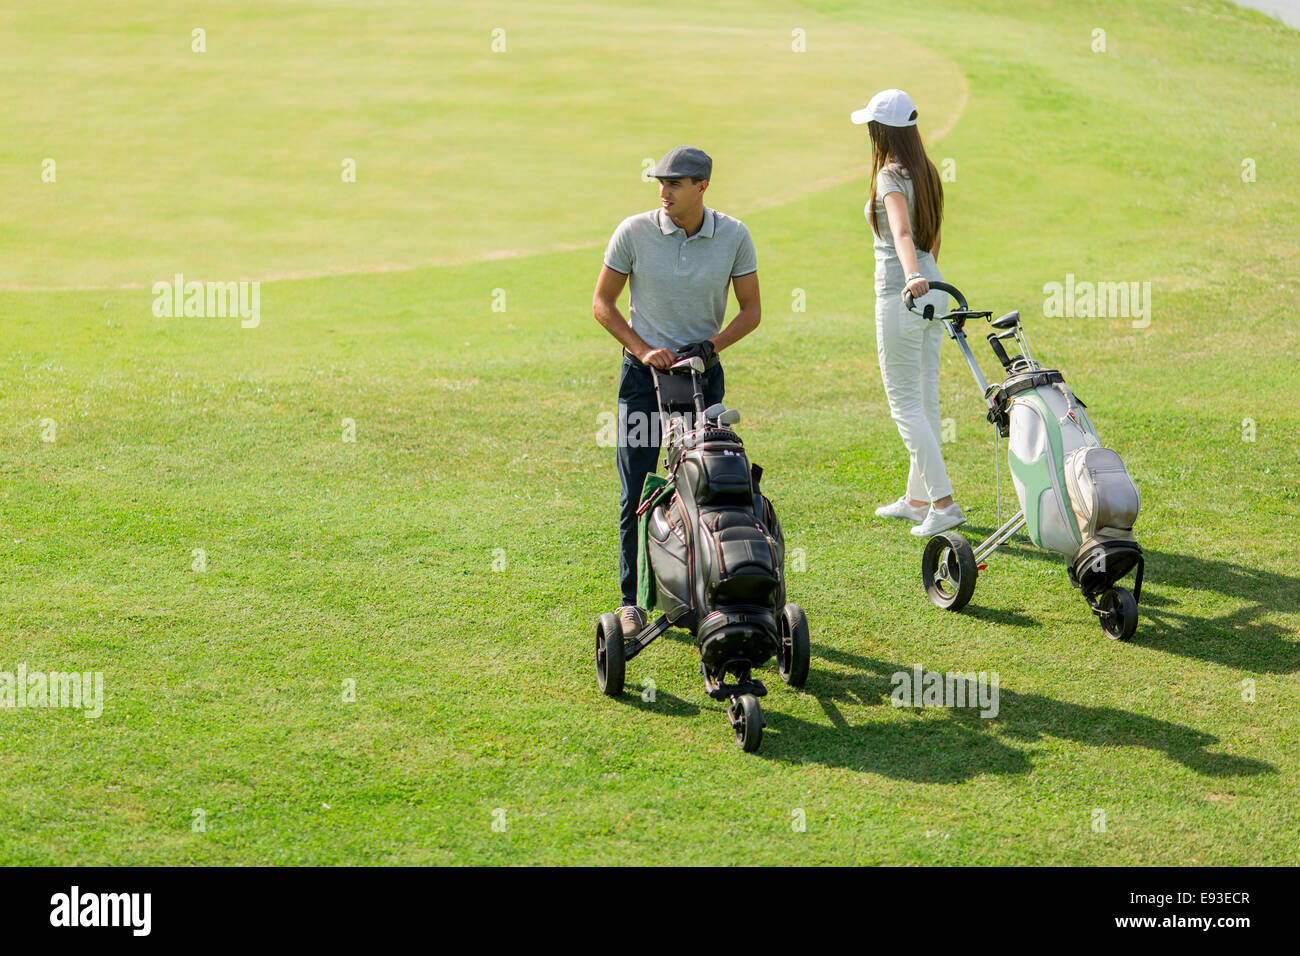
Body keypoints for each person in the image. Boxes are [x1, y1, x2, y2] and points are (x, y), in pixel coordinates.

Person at [592, 145, 761, 635]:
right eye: (660, 183)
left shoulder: (733, 235)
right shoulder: (634, 232)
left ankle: (706, 588)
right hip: (643, 381)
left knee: (707, 484)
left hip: (702, 379)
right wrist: (644, 350)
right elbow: (603, 304)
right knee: (638, 489)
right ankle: (631, 601)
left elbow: (750, 311)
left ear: (702, 186)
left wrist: (712, 346)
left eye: (675, 184)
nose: (663, 192)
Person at [851, 89, 965, 537]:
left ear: (882, 131)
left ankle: (943, 502)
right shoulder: (927, 171)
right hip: (933, 289)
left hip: (905, 293)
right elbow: (931, 233)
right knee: (925, 397)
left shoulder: (888, 175)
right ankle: (918, 499)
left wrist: (913, 275)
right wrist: (926, 271)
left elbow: (901, 231)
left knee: (905, 405)